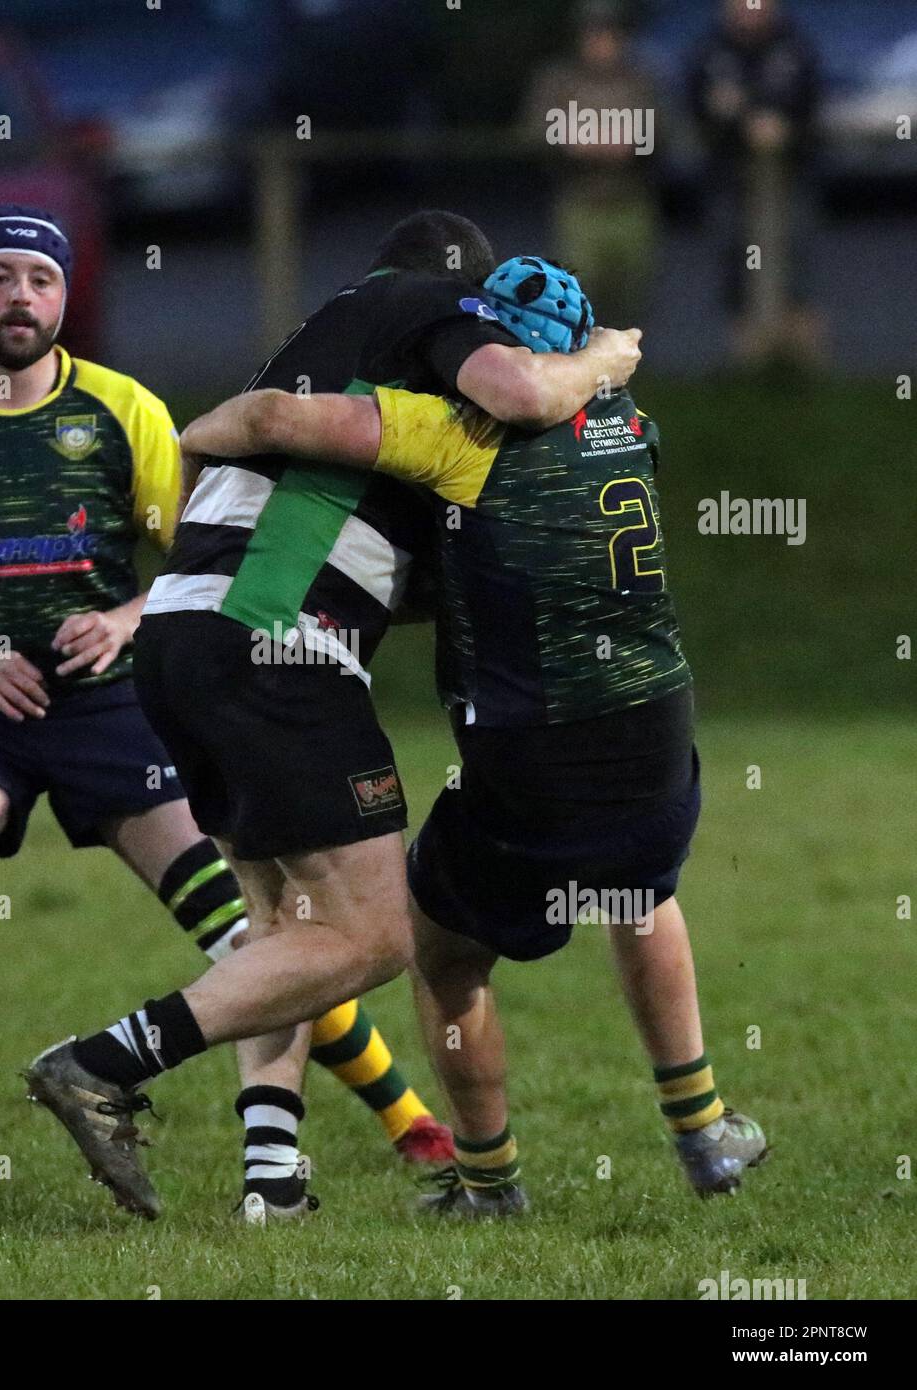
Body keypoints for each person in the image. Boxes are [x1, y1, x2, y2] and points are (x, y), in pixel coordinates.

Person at [24, 212, 645, 1222]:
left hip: (184, 632)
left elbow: (240, 468)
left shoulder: (325, 336)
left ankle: (271, 1179)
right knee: (372, 935)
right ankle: (98, 1064)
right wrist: (605, 359)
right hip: (273, 642)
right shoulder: (428, 305)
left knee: (285, 928)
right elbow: (521, 388)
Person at [0, 202, 451, 1193]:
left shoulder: (122, 410)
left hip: (113, 705)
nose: (19, 297)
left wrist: (121, 623)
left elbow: (203, 552)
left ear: (65, 295)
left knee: (258, 929)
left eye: (39, 279)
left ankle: (404, 1115)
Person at [178, 255, 768, 1216]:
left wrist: (192, 443)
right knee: (639, 894)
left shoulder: (457, 433)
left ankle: (489, 1184)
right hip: (657, 720)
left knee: (441, 950)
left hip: (534, 744)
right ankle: (701, 1129)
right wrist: (609, 358)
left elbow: (277, 420)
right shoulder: (633, 428)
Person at [687, 0, 824, 365]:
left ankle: (802, 365)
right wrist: (736, 119)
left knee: (794, 264)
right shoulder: (711, 51)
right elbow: (696, 109)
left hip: (787, 176)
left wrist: (781, 128)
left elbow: (813, 108)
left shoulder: (794, 47)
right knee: (737, 266)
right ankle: (750, 364)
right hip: (729, 177)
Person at [524, 0, 660, 330]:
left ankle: (630, 373)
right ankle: (581, 373)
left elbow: (665, 132)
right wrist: (573, 143)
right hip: (579, 201)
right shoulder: (558, 81)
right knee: (577, 293)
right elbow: (532, 132)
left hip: (630, 199)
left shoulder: (639, 80)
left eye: (609, 33)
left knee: (630, 292)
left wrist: (631, 144)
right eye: (593, 33)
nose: (601, 42)